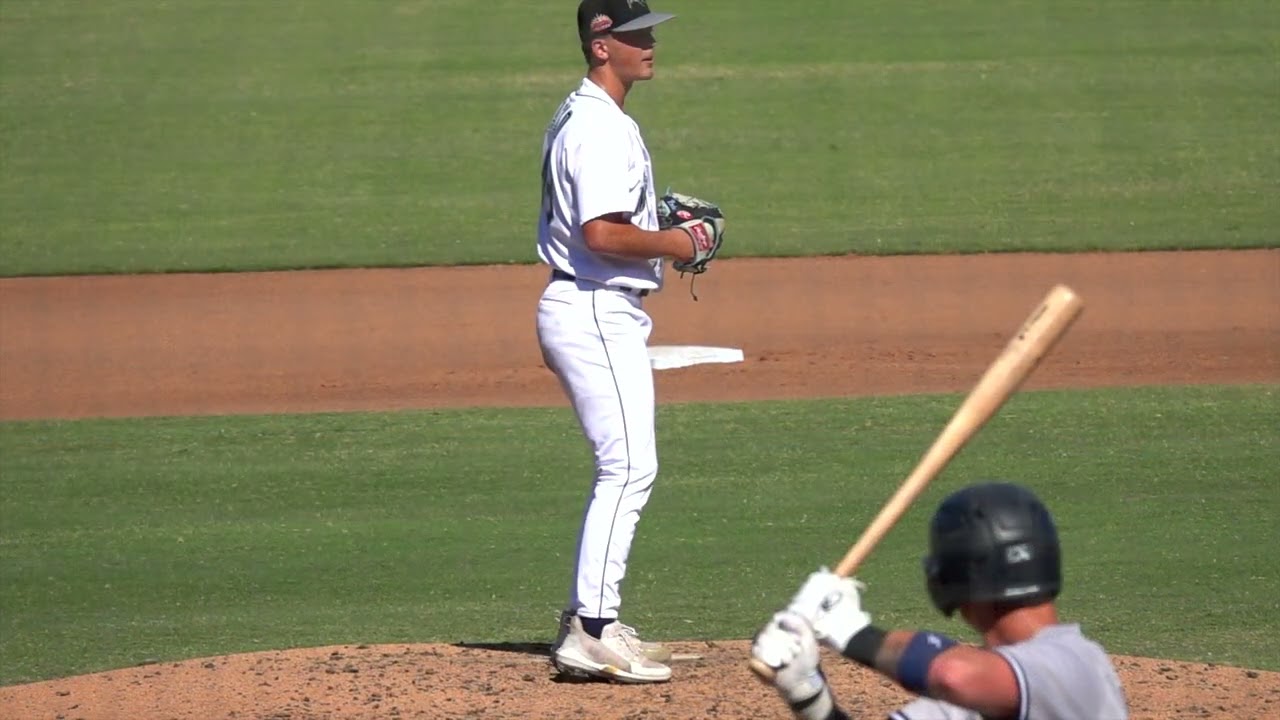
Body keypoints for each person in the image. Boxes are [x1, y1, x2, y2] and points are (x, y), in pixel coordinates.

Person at [536, 0, 726, 684]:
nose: (651, 44)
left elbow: (611, 220)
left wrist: (652, 217)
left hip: (594, 305)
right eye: (637, 34)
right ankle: (590, 632)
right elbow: (601, 234)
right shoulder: (598, 128)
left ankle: (596, 619)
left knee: (625, 466)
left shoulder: (590, 115)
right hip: (592, 309)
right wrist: (677, 241)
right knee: (628, 467)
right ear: (600, 44)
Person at [752, 481, 1129, 719]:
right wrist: (808, 695)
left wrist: (851, 633)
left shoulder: (1078, 667)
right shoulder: (967, 702)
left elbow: (953, 674)